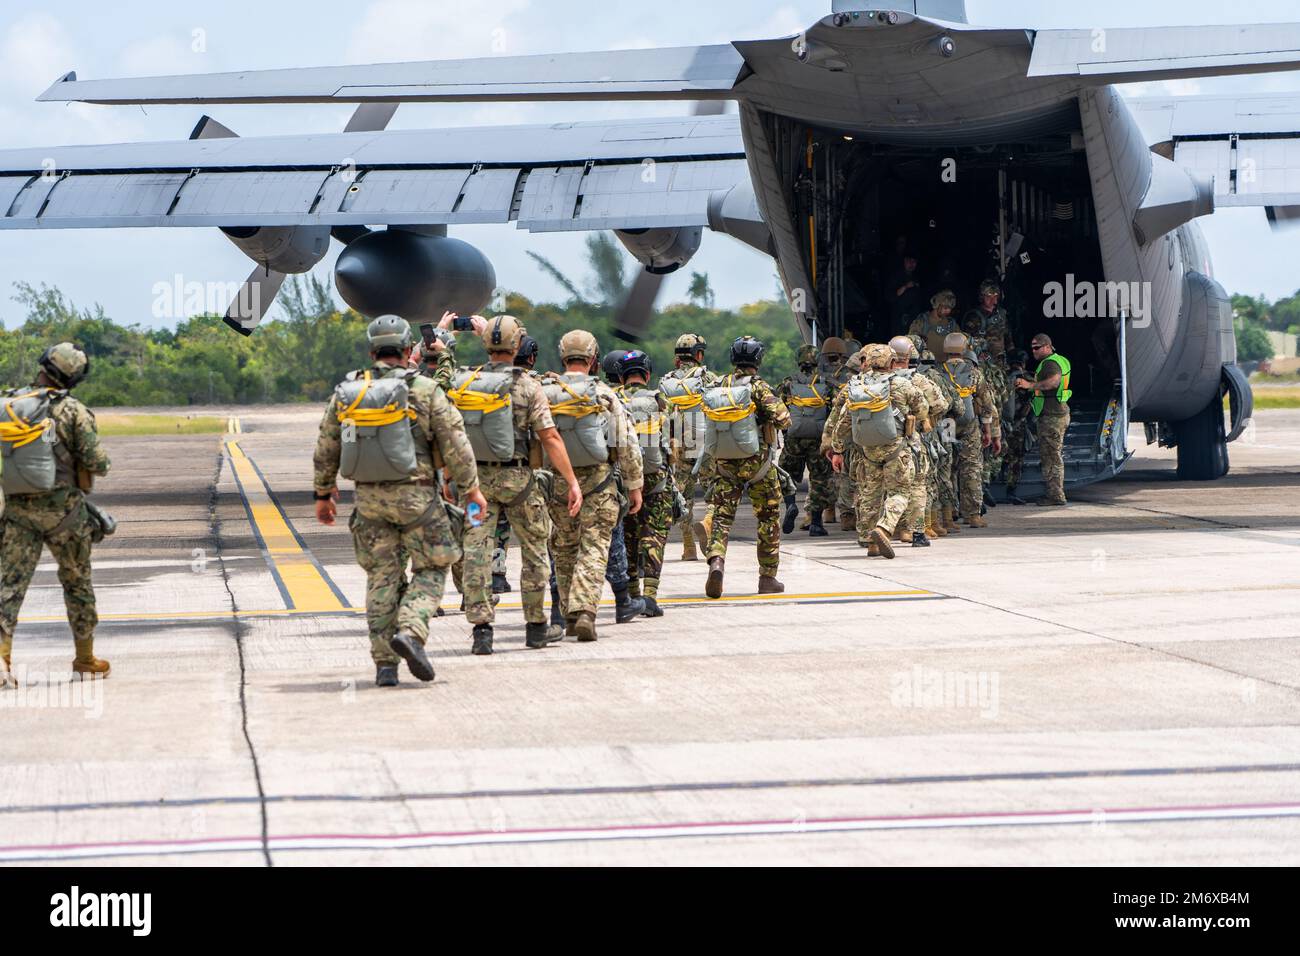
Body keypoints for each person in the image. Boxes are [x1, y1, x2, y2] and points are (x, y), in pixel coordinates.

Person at [314, 316, 487, 685]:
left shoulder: (349, 391)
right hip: (418, 498)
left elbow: (327, 445)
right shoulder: (424, 389)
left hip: (369, 499)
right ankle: (411, 631)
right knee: (433, 566)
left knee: (382, 578)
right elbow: (456, 442)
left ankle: (385, 666)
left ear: (372, 351)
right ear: (409, 350)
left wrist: (323, 493)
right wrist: (472, 490)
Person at [447, 315, 584, 655]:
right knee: (535, 551)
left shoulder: (465, 382)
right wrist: (571, 481)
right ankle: (536, 626)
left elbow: (449, 430)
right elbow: (549, 437)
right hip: (520, 480)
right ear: (518, 345)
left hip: (477, 482)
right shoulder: (527, 386)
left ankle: (481, 630)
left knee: (476, 551)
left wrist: (451, 477)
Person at [0, 343, 113, 684]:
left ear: (43, 366)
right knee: (77, 584)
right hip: (66, 515)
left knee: (8, 587)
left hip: (18, 511)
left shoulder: (12, 405)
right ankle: (85, 658)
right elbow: (98, 463)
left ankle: (2, 661)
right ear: (74, 377)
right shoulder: (73, 411)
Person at [543, 331, 643, 641]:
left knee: (563, 550)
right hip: (598, 482)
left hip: (558, 483)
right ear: (592, 358)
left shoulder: (545, 392)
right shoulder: (603, 393)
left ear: (563, 357)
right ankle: (586, 611)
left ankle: (569, 616)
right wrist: (634, 484)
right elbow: (625, 441)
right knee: (594, 548)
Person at [701, 335, 790, 598]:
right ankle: (767, 578)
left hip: (725, 465)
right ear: (758, 359)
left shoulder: (718, 385)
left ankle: (716, 561)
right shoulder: (759, 388)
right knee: (768, 519)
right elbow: (784, 419)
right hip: (758, 465)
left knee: (721, 518)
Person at [828, 344, 927, 558]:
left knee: (869, 495)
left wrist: (837, 450)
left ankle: (870, 542)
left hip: (868, 451)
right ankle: (884, 528)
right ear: (891, 362)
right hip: (896, 448)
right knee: (899, 492)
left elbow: (844, 421)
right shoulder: (900, 384)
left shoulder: (856, 385)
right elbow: (923, 408)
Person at [616, 349, 674, 617]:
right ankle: (650, 597)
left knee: (628, 537)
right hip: (656, 479)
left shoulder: (612, 398)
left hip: (625, 478)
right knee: (655, 534)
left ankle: (632, 596)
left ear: (622, 376)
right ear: (647, 374)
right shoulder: (660, 400)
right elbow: (679, 438)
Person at [658, 333, 719, 561]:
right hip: (704, 441)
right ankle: (709, 524)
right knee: (715, 491)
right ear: (699, 355)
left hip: (679, 443)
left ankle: (688, 547)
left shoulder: (666, 382)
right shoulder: (708, 378)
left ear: (677, 358)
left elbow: (661, 417)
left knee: (684, 495)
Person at [888, 335, 947, 546]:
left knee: (886, 487)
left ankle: (887, 528)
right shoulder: (918, 381)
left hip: (882, 443)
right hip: (913, 441)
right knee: (918, 485)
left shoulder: (873, 381)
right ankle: (913, 531)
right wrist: (927, 420)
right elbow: (941, 405)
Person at [939, 332, 1001, 528]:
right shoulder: (975, 373)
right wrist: (989, 431)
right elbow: (986, 404)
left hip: (947, 424)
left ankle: (948, 515)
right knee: (971, 468)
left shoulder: (938, 372)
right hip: (970, 424)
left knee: (945, 468)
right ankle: (973, 515)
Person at [777, 344, 833, 537]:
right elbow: (833, 412)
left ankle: (791, 505)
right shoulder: (826, 383)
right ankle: (816, 522)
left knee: (787, 475)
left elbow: (778, 409)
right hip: (818, 440)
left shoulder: (788, 383)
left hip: (794, 439)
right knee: (819, 479)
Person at [1016, 333, 1072, 506]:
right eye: (1032, 347)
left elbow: (1054, 382)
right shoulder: (1061, 359)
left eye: (1037, 347)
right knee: (1052, 455)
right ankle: (1055, 493)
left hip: (1051, 416)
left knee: (1051, 457)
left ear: (1047, 346)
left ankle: (1055, 495)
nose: (1033, 351)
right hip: (1058, 412)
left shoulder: (1050, 363)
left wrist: (1029, 385)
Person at [818, 337, 857, 532]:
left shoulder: (817, 375)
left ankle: (825, 511)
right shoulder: (850, 377)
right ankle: (847, 516)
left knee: (824, 474)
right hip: (844, 430)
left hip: (822, 428)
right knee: (845, 473)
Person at [962, 279, 1011, 353]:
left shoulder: (1001, 314)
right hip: (981, 361)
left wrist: (1012, 353)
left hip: (1001, 359)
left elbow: (1008, 337)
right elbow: (966, 343)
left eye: (995, 296)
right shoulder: (973, 316)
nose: (993, 300)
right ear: (982, 296)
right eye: (989, 296)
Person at [909, 290, 959, 361]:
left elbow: (961, 341)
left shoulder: (951, 323)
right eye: (945, 308)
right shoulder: (923, 321)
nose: (948, 311)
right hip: (926, 365)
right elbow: (911, 340)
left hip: (947, 366)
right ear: (937, 305)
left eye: (950, 308)